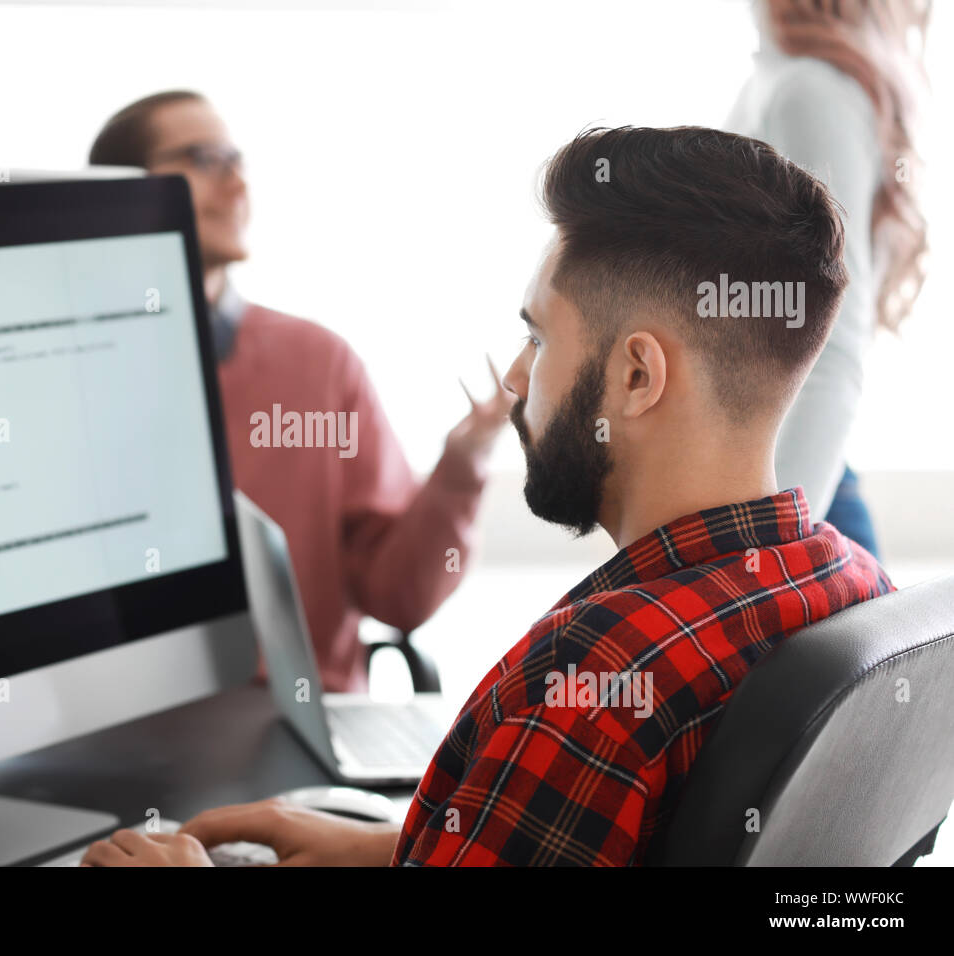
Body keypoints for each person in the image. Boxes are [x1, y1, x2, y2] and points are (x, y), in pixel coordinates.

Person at [80, 126, 894, 867]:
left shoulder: (601, 675)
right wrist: (397, 850)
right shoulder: (853, 588)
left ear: (637, 376)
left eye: (538, 338)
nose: (514, 379)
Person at [89, 92, 515, 693]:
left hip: (289, 723)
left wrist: (461, 467)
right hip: (102, 721)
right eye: (203, 158)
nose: (237, 183)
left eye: (237, 160)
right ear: (123, 191)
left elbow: (399, 600)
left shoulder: (319, 364)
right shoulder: (66, 361)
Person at [728, 0, 931, 556]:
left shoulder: (809, 92)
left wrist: (768, 552)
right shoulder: (773, 83)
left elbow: (831, 337)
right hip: (781, 478)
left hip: (795, 488)